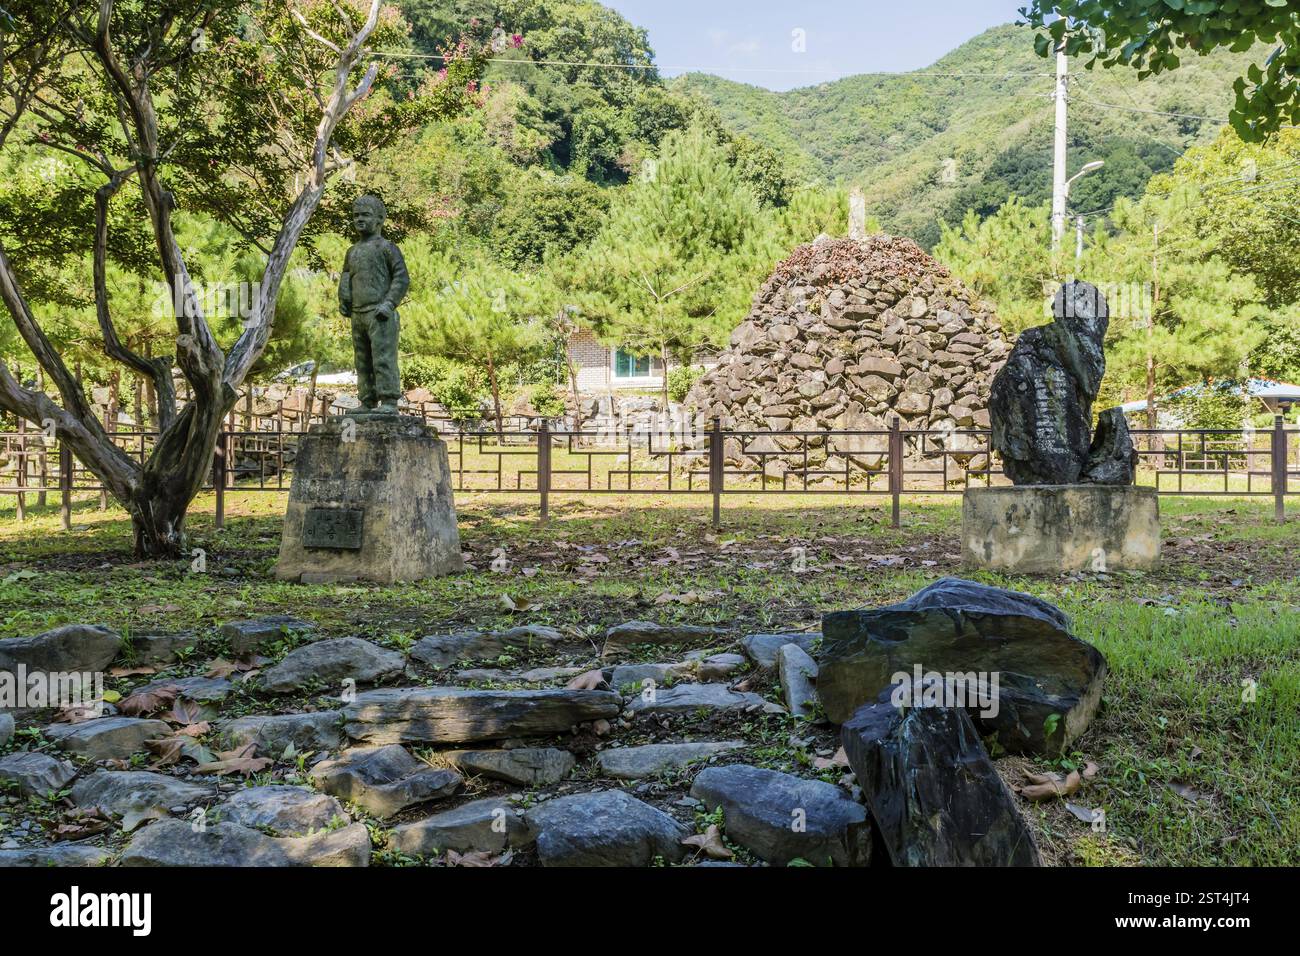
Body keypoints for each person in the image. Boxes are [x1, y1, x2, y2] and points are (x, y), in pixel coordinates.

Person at [338, 195, 409, 414]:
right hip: (358, 314)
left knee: (383, 358)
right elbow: (346, 275)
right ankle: (367, 400)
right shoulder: (352, 251)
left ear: (379, 219)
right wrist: (344, 297)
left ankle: (389, 401)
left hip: (380, 313)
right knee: (362, 360)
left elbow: (401, 278)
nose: (359, 219)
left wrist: (389, 304)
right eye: (356, 215)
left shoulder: (387, 248)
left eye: (365, 215)